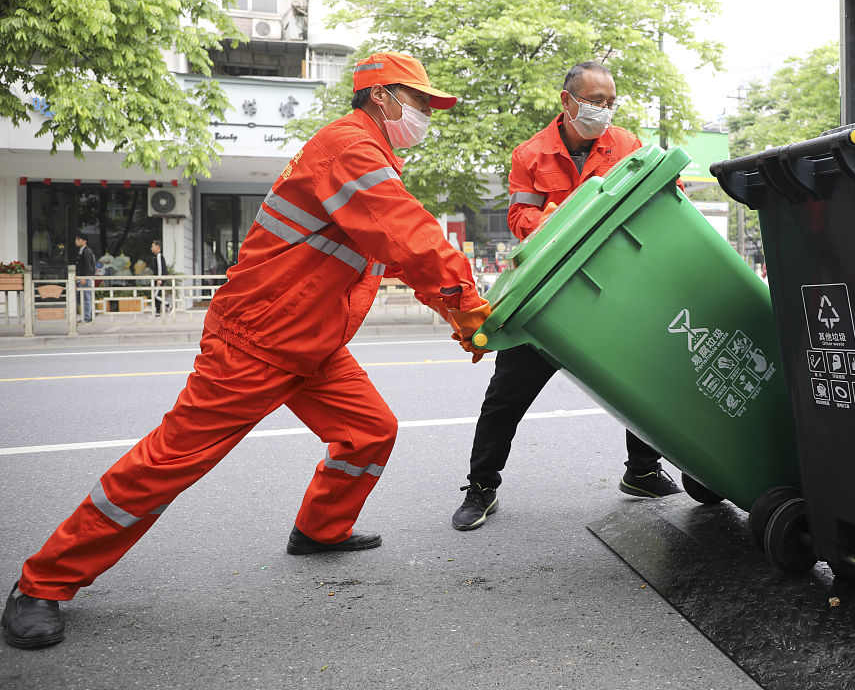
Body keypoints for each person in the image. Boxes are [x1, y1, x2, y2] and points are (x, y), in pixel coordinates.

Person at [2, 52, 491, 650]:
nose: (424, 116)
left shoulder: (365, 156)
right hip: (257, 341)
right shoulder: (351, 151)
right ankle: (43, 582)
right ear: (381, 97)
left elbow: (392, 251)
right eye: (418, 102)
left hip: (308, 337)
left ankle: (321, 529)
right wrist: (466, 303)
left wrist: (457, 310)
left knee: (370, 430)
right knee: (170, 462)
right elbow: (410, 237)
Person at [451, 61, 680, 532]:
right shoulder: (531, 155)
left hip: (611, 288)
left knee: (644, 382)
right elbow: (520, 219)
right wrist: (565, 221)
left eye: (610, 102)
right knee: (507, 393)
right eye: (594, 101)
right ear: (567, 100)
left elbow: (665, 195)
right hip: (549, 296)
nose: (603, 110)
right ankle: (481, 487)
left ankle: (642, 471)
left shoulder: (628, 146)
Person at [73, 234, 95, 323]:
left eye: (79, 239)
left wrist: (84, 277)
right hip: (81, 277)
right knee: (80, 297)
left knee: (86, 297)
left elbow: (88, 266)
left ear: (84, 241)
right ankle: (88, 315)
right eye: (76, 239)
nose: (77, 241)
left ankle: (88, 316)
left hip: (84, 278)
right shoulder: (81, 251)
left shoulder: (87, 251)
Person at [149, 239, 168, 315]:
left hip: (160, 278)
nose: (151, 248)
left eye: (152, 246)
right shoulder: (156, 256)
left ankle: (168, 305)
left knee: (155, 295)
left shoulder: (159, 255)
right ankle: (157, 312)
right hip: (158, 278)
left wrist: (159, 278)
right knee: (157, 294)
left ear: (157, 247)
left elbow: (160, 267)